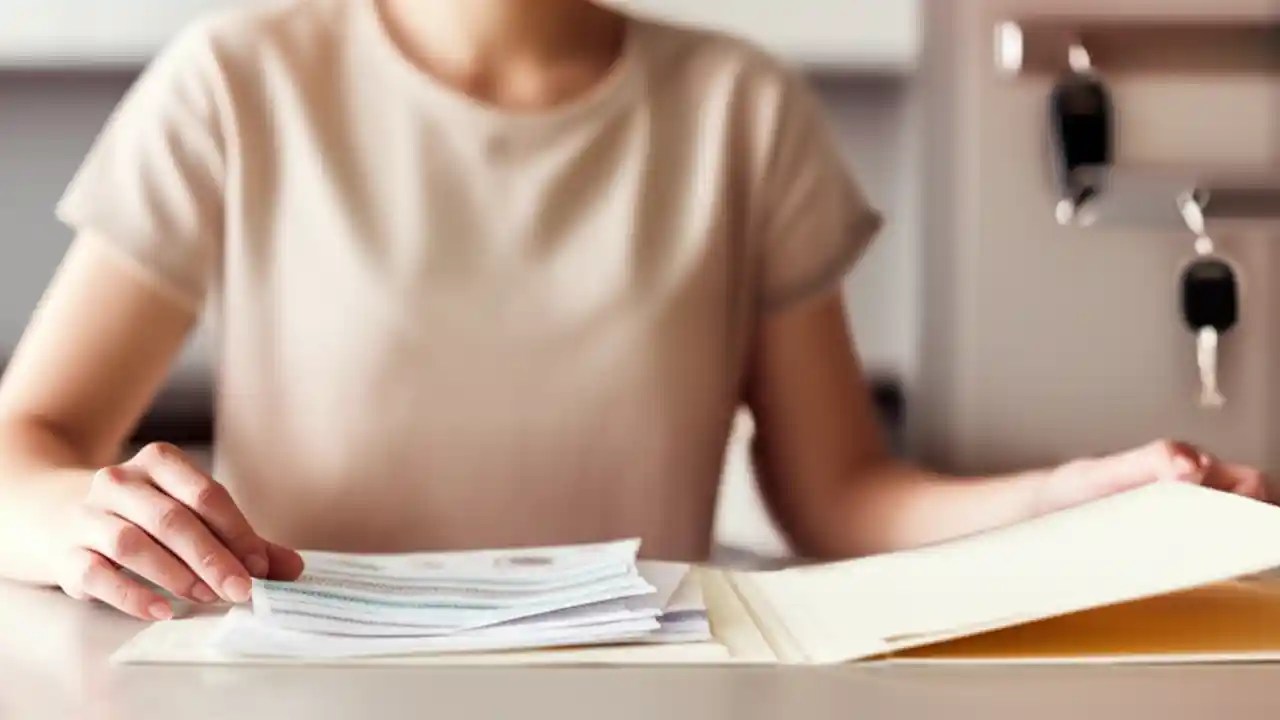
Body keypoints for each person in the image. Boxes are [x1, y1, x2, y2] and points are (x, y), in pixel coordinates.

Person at [0, 0, 1267, 622]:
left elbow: (836, 495)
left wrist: (1057, 510)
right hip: (314, 690)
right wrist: (78, 519)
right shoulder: (236, 86)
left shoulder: (739, 109)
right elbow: (27, 439)